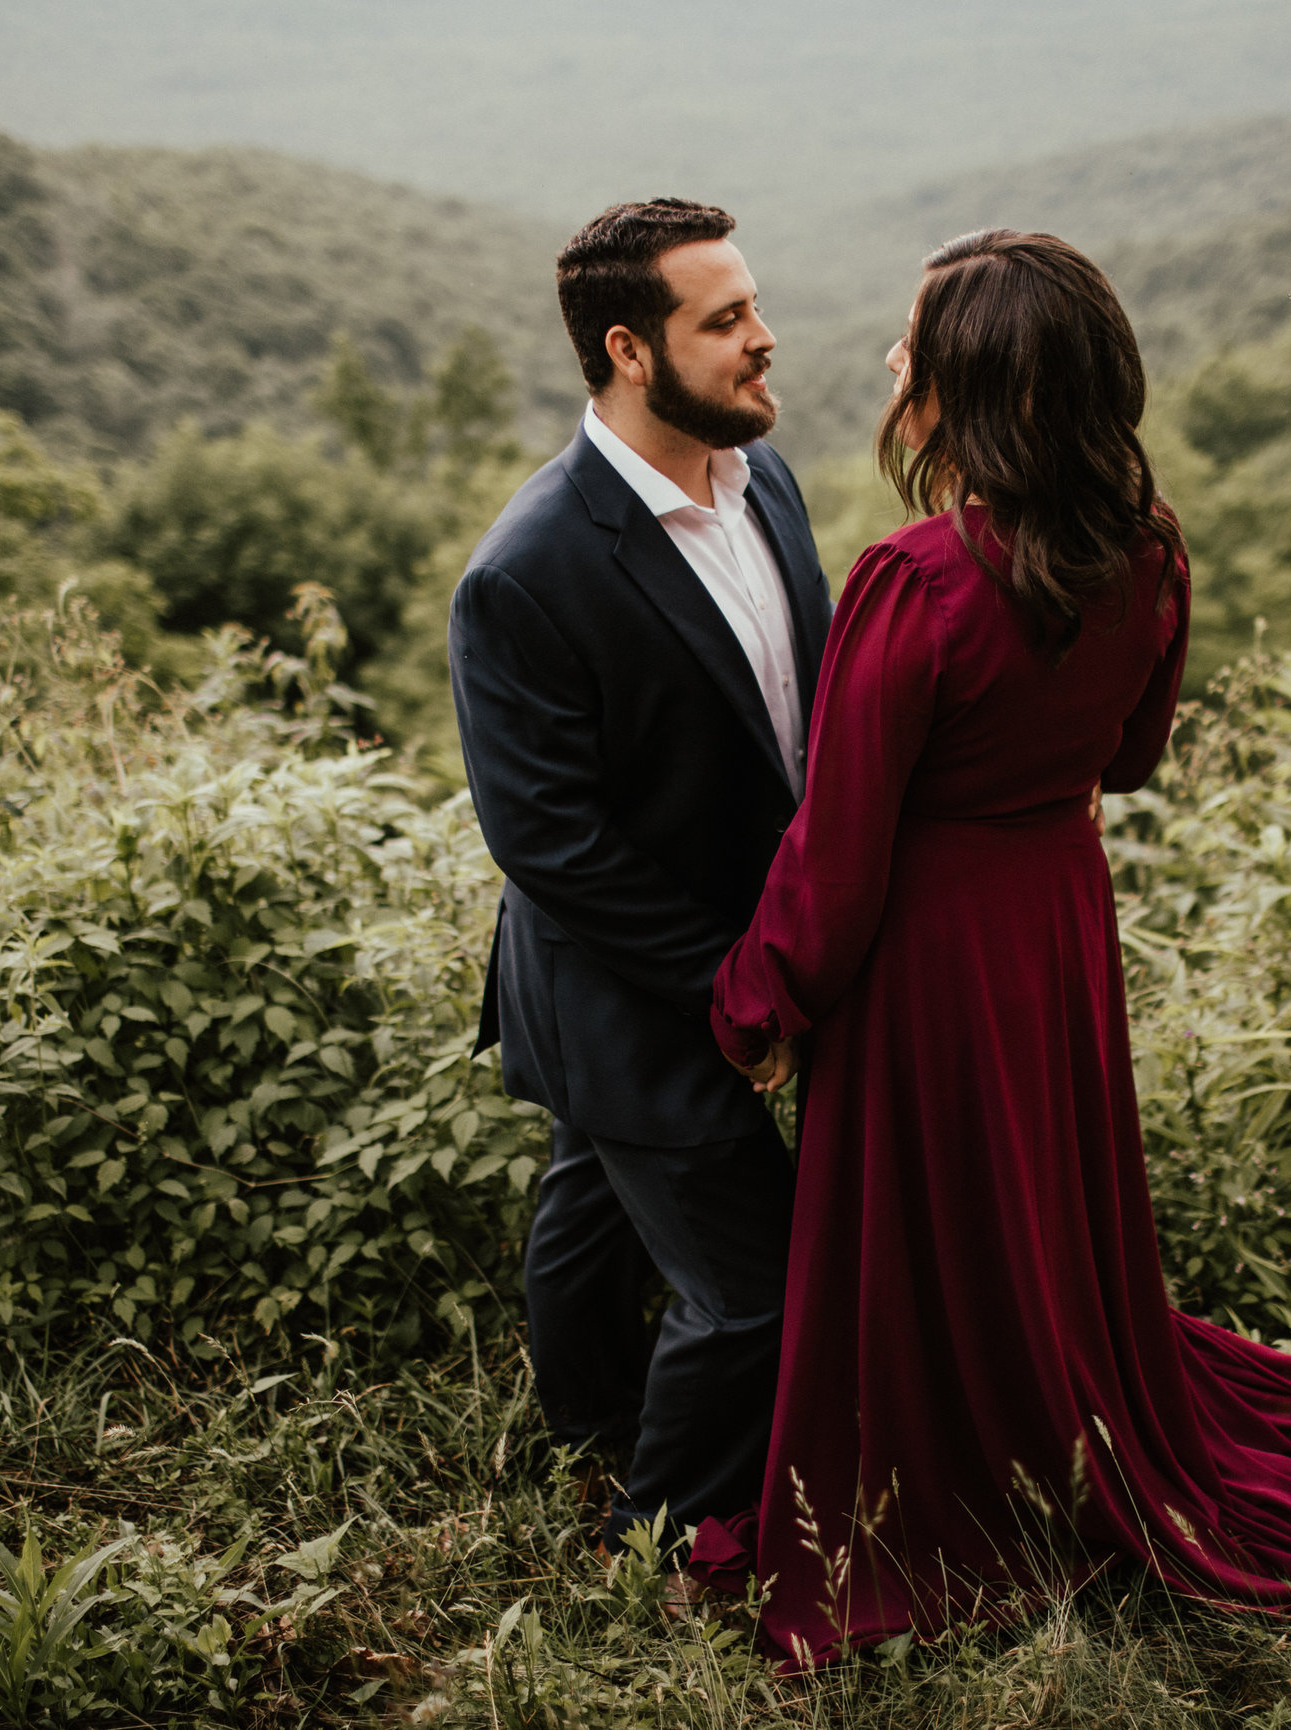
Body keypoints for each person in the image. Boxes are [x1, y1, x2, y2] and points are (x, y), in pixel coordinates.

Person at [685, 230, 1291, 1661]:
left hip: (932, 950)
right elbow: (1130, 757)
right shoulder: (1152, 551)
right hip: (1054, 915)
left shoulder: (918, 579)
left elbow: (841, 847)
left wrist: (755, 997)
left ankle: (950, 1472)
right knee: (1037, 1192)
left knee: (933, 1219)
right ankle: (1058, 1412)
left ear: (977, 390)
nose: (890, 362)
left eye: (915, 344)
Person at [447, 199, 833, 1551]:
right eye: (722, 320)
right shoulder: (530, 570)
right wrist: (739, 986)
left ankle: (583, 1422)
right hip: (630, 981)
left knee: (594, 1195)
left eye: (751, 306)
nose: (761, 338)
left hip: (745, 947)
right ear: (628, 348)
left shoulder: (761, 475)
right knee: (767, 1287)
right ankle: (648, 1535)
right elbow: (550, 841)